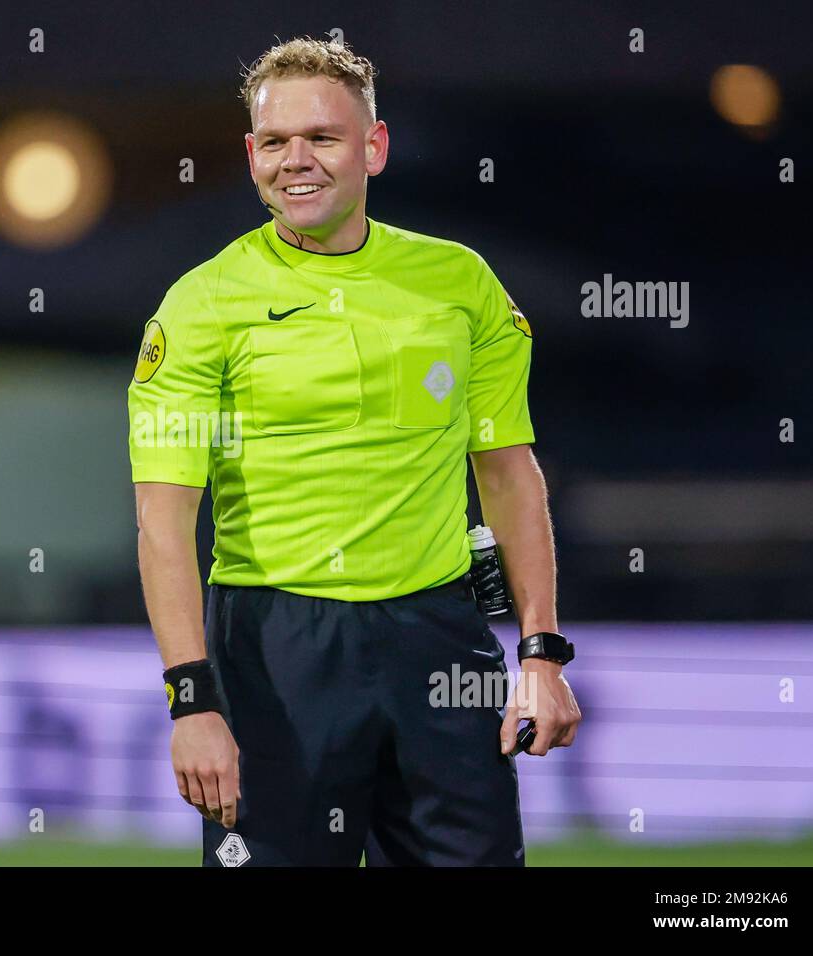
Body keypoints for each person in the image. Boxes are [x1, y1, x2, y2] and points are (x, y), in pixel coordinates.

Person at [127, 37, 581, 866]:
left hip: (437, 635)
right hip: (275, 650)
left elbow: (510, 474)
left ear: (373, 147)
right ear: (250, 156)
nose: (295, 162)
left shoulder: (461, 283)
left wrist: (541, 652)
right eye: (274, 143)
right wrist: (191, 702)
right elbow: (164, 522)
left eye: (322, 139)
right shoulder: (199, 307)